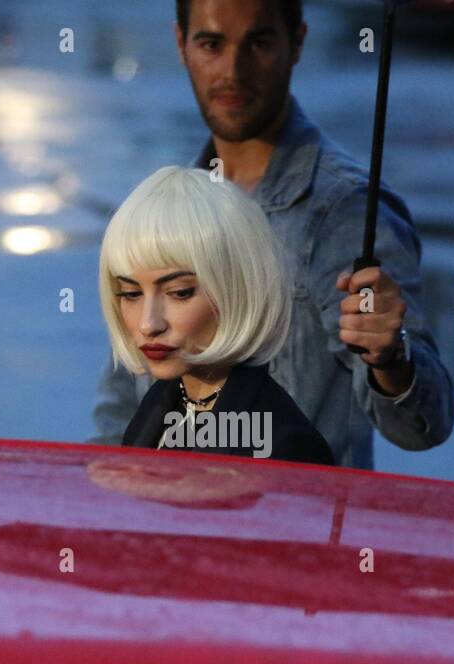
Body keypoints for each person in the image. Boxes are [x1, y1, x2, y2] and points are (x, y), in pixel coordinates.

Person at [91, 0, 454, 468]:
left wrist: (392, 358)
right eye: (211, 44)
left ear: (296, 42)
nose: (233, 70)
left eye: (258, 43)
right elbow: (121, 404)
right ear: (181, 45)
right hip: (167, 524)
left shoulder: (344, 211)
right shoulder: (170, 204)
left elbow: (424, 425)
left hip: (296, 526)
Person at [101, 166, 334, 466]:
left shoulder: (283, 446)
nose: (149, 323)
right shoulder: (160, 403)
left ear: (238, 290)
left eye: (180, 292)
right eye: (131, 294)